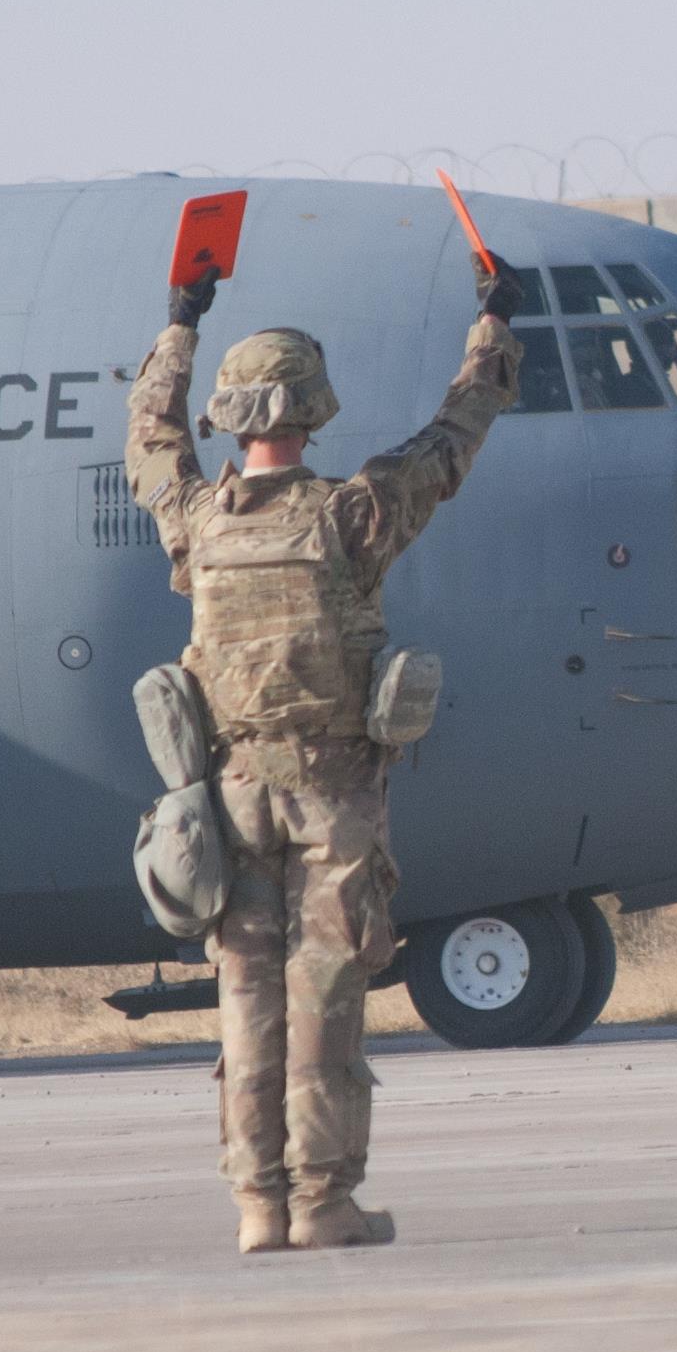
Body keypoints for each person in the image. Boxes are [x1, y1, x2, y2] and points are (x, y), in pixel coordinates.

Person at [127, 253, 523, 1253]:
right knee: (325, 995)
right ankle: (323, 1200)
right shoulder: (355, 513)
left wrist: (180, 324)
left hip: (231, 795)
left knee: (246, 994)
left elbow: (150, 437)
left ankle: (257, 1205)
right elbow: (453, 439)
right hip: (334, 794)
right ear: (312, 409)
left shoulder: (198, 521)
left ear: (232, 413)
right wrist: (493, 327)